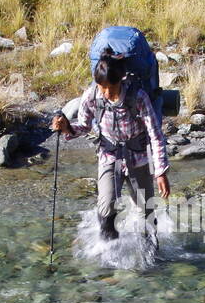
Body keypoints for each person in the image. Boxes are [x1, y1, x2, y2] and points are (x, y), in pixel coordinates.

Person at [51, 49, 171, 242]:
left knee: (146, 210)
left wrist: (160, 172)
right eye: (101, 87)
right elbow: (83, 126)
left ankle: (152, 254)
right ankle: (108, 252)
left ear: (121, 80)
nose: (106, 93)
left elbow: (155, 135)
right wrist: (66, 127)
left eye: (111, 87)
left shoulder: (138, 97)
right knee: (106, 208)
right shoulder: (91, 96)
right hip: (109, 156)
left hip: (138, 158)